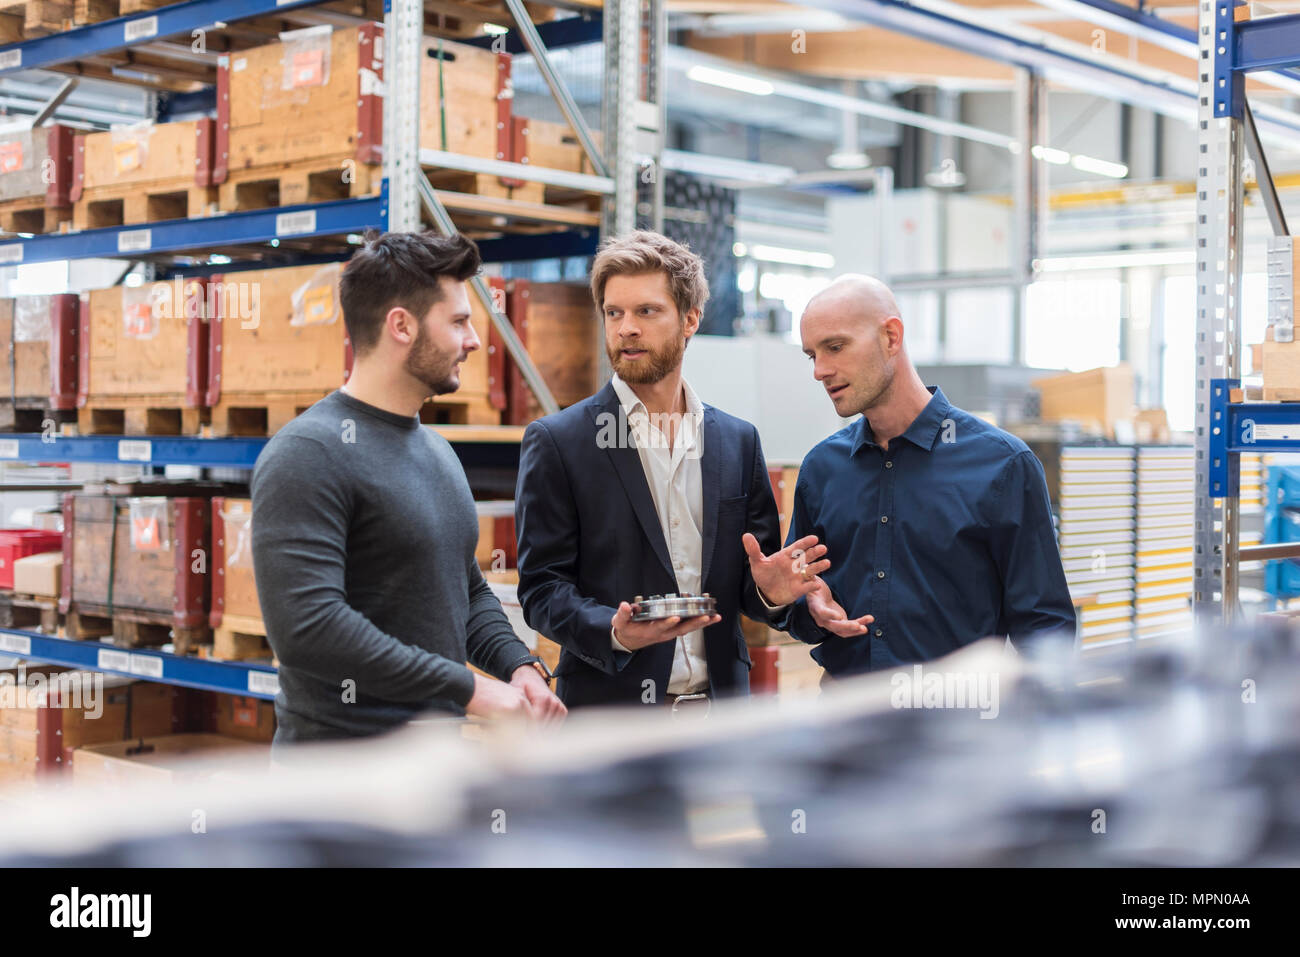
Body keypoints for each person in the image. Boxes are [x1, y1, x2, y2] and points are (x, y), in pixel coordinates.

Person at [251, 230, 565, 748]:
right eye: (459, 321)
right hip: (341, 779)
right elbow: (309, 628)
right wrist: (470, 689)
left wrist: (520, 666)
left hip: (432, 763)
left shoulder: (437, 452)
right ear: (402, 325)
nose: (473, 340)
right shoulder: (308, 453)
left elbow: (463, 591)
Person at [514, 230, 827, 710]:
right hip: (612, 720)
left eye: (647, 311)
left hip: (720, 717)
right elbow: (542, 589)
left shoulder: (737, 441)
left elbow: (750, 582)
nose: (626, 329)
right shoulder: (560, 442)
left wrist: (770, 593)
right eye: (614, 313)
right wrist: (613, 631)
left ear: (690, 319)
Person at [785, 274, 1076, 675]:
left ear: (891, 337)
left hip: (960, 723)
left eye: (835, 347)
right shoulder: (822, 469)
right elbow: (800, 601)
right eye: (811, 355)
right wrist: (807, 605)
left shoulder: (1003, 465)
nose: (820, 370)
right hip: (849, 718)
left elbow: (1045, 628)